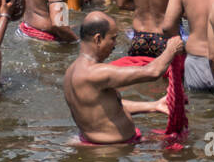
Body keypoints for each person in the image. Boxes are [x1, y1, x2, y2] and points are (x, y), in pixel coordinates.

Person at [63, 12, 182, 145]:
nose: (114, 45)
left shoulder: (71, 71)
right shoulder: (96, 73)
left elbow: (108, 107)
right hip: (110, 151)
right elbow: (152, 72)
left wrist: (154, 106)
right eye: (113, 38)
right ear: (98, 39)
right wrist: (171, 49)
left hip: (99, 145)